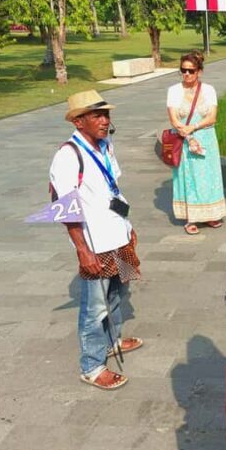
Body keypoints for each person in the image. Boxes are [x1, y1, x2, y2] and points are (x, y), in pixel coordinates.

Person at [49, 90, 142, 390]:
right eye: (96, 115)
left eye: (106, 115)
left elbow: (112, 188)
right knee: (94, 308)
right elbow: (66, 209)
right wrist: (82, 250)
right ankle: (91, 365)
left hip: (118, 232)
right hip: (96, 242)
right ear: (78, 121)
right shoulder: (67, 156)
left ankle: (112, 341)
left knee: (119, 290)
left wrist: (128, 227)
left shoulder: (105, 144)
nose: (104, 121)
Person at [166, 52, 226, 234]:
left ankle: (210, 214)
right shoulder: (174, 91)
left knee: (209, 176)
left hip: (206, 137)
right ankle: (190, 218)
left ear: (199, 71)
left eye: (190, 71)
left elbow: (212, 117)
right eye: (183, 70)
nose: (186, 74)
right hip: (185, 140)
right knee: (189, 178)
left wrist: (195, 127)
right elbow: (174, 119)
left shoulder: (208, 90)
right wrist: (187, 134)